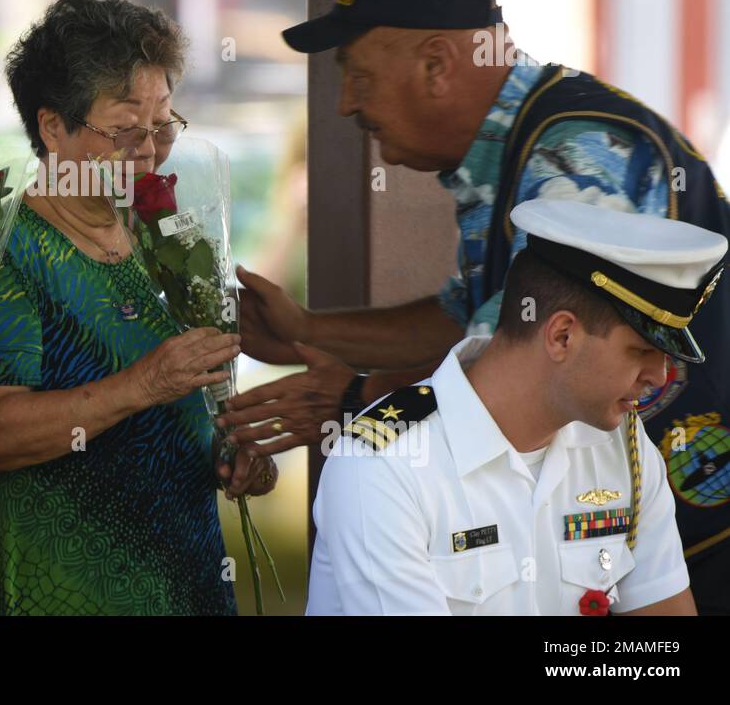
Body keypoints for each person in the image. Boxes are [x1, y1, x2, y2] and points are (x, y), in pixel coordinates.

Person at [224, 0, 730, 613]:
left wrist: (362, 401)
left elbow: (512, 356)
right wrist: (309, 332)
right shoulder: (509, 144)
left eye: (356, 72)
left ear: (436, 64)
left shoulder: (575, 152)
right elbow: (477, 321)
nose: (345, 103)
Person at [0, 0, 272, 615]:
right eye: (125, 129)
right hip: (54, 586)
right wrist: (145, 383)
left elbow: (184, 405)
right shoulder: (8, 247)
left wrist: (229, 450)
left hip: (182, 577)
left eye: (164, 126)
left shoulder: (162, 231)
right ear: (51, 126)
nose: (149, 150)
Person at [308, 199, 723, 615]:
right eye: (643, 350)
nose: (659, 376)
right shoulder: (385, 464)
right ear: (562, 335)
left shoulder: (625, 450)